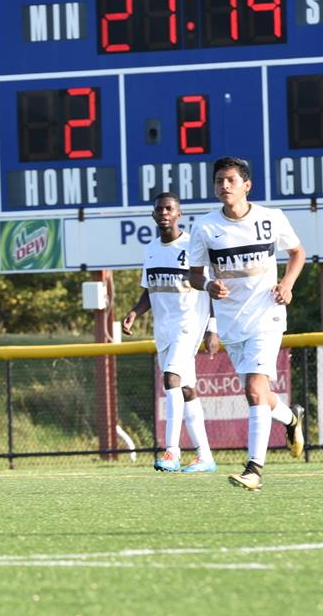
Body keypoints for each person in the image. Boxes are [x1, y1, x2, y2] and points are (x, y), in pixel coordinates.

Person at [187, 157, 306, 492]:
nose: (224, 186)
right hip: (231, 322)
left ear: (246, 185)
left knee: (255, 389)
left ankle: (254, 470)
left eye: (231, 180)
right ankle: (291, 417)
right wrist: (209, 285)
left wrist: (287, 285)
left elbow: (298, 254)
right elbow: (196, 276)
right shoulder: (206, 227)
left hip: (267, 317)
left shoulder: (270, 218)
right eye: (219, 181)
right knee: (258, 393)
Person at [122, 192, 221, 473]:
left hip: (189, 323)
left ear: (179, 214)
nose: (164, 213)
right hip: (164, 329)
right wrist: (134, 312)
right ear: (153, 215)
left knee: (171, 378)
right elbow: (149, 289)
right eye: (159, 209)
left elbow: (210, 287)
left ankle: (171, 452)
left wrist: (212, 329)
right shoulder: (151, 249)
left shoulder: (193, 246)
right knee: (187, 389)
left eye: (169, 209)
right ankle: (205, 456)